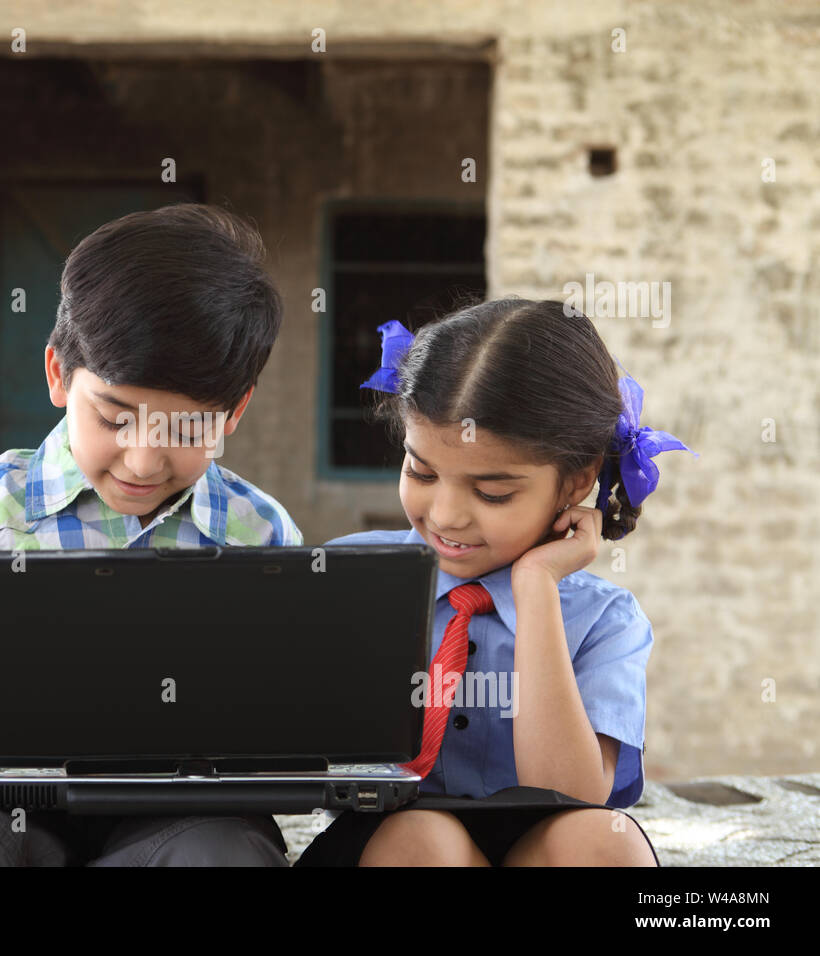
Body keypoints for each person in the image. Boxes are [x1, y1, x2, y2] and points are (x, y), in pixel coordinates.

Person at [0, 203, 302, 866]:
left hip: (180, 815)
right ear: (58, 375)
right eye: (114, 417)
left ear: (236, 410)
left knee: (220, 854)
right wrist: (31, 674)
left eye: (188, 429)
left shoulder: (259, 530)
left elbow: (290, 706)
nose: (143, 460)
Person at [297, 297, 697, 867]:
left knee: (604, 840)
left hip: (543, 842)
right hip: (391, 849)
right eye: (421, 471)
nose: (447, 516)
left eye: (493, 493)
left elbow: (573, 795)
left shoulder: (606, 621)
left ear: (573, 483)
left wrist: (534, 587)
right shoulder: (345, 579)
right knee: (425, 840)